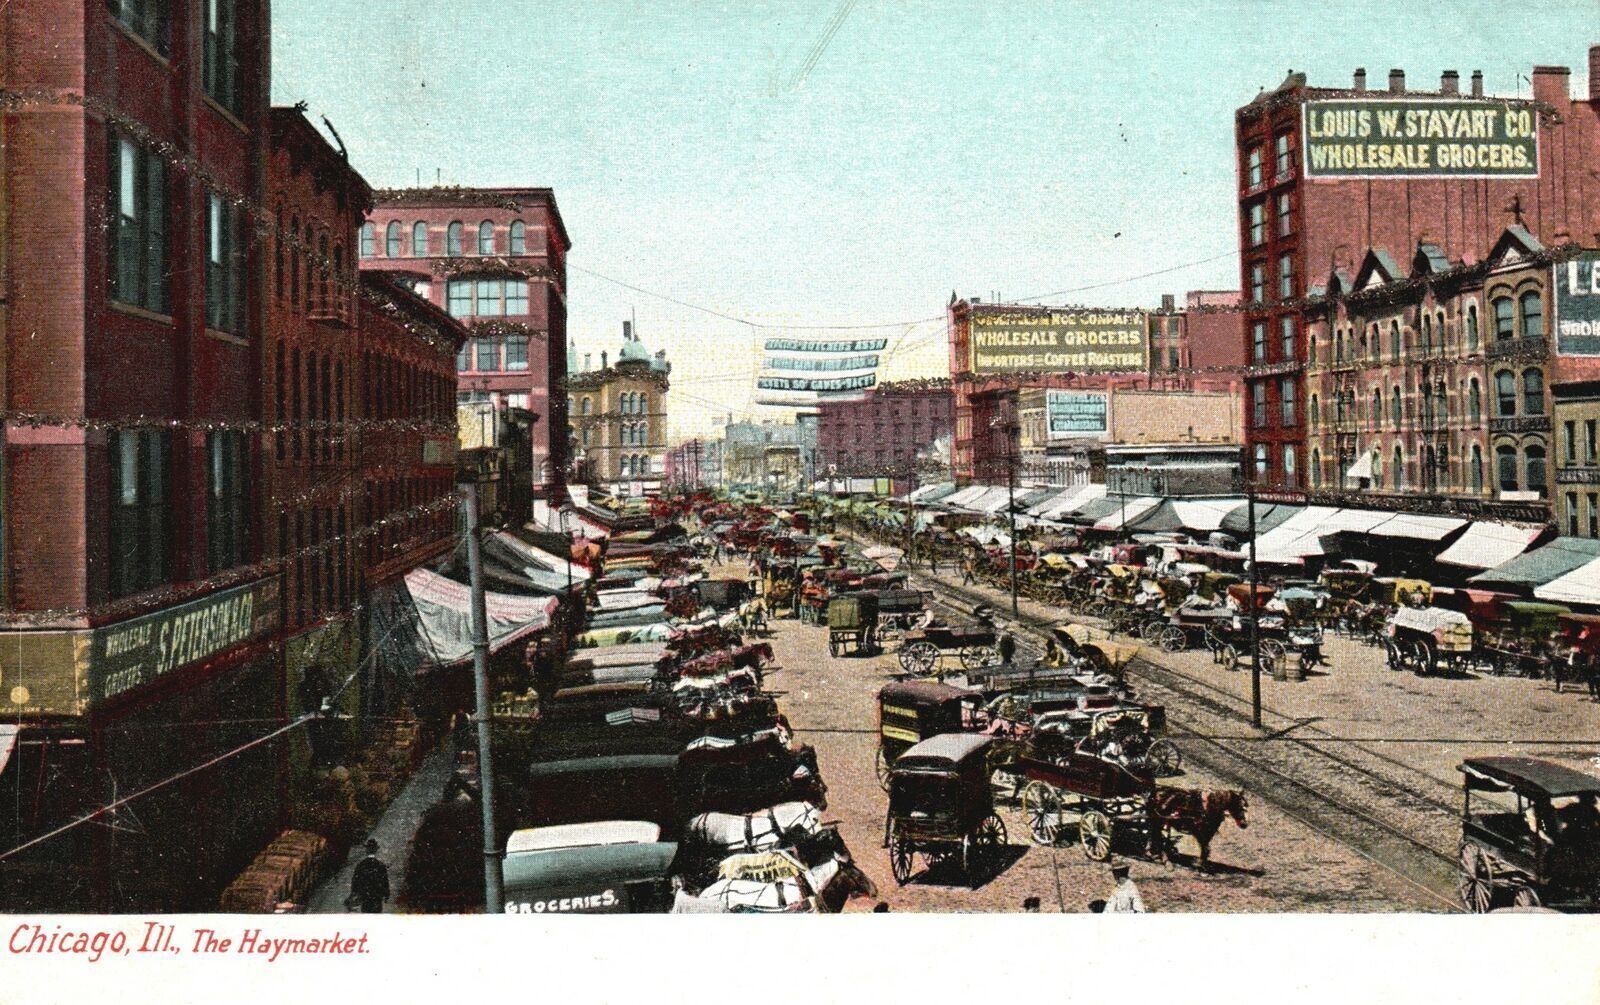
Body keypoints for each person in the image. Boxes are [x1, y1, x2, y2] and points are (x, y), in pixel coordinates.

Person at [349, 838, 390, 913]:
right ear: (376, 850)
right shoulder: (380, 865)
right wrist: (386, 894)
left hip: (365, 896)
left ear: (366, 850)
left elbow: (355, 880)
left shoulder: (361, 865)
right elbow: (385, 881)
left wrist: (354, 893)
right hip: (376, 897)